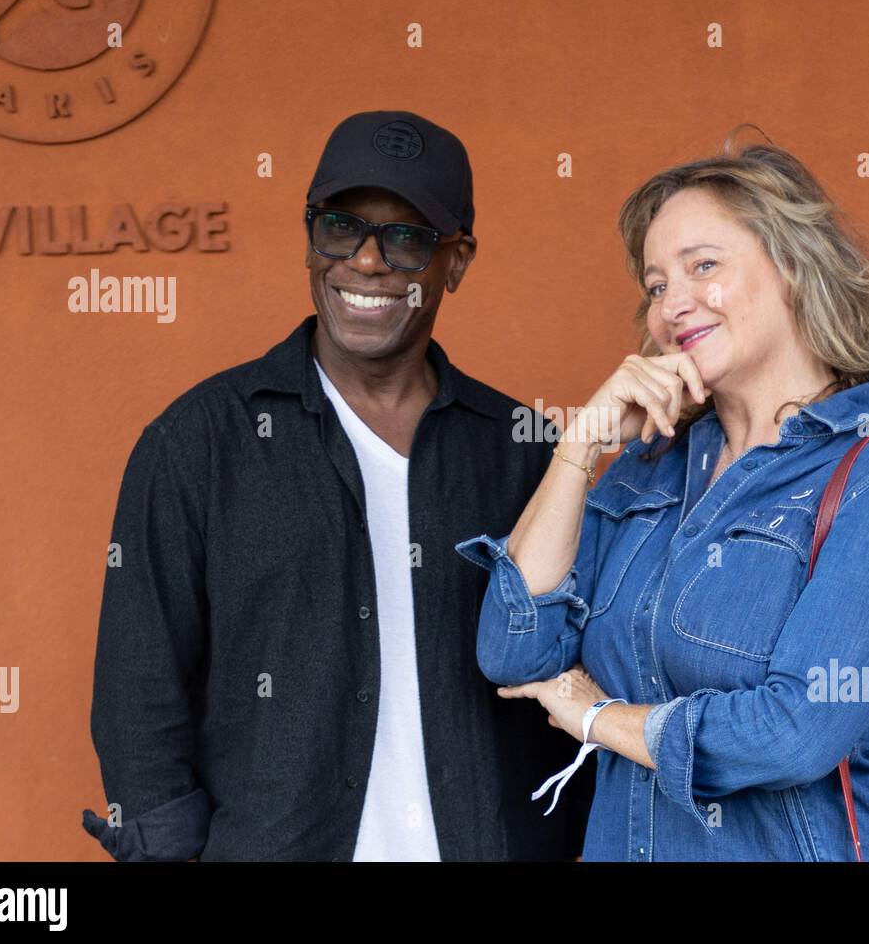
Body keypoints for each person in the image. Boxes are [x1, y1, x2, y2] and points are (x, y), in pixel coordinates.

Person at [81, 110, 592, 861]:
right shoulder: (199, 442)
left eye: (409, 237)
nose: (367, 261)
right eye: (341, 227)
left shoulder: (523, 451)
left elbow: (575, 663)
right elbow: (138, 689)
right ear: (310, 238)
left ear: (457, 261)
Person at [456, 131, 869, 861]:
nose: (671, 305)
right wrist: (580, 446)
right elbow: (514, 647)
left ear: (793, 269)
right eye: (656, 286)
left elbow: (794, 732)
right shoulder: (648, 470)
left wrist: (599, 717)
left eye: (704, 267)